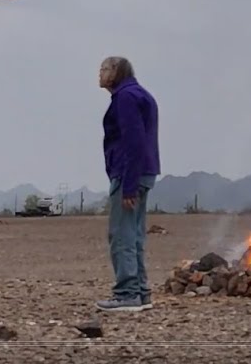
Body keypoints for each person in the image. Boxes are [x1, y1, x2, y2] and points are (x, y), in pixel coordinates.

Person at [95, 56, 161, 312]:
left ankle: (127, 293)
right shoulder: (140, 94)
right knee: (134, 234)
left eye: (103, 69)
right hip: (144, 171)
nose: (99, 74)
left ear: (115, 71)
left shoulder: (126, 98)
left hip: (128, 173)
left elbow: (134, 141)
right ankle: (141, 292)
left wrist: (129, 184)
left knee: (122, 234)